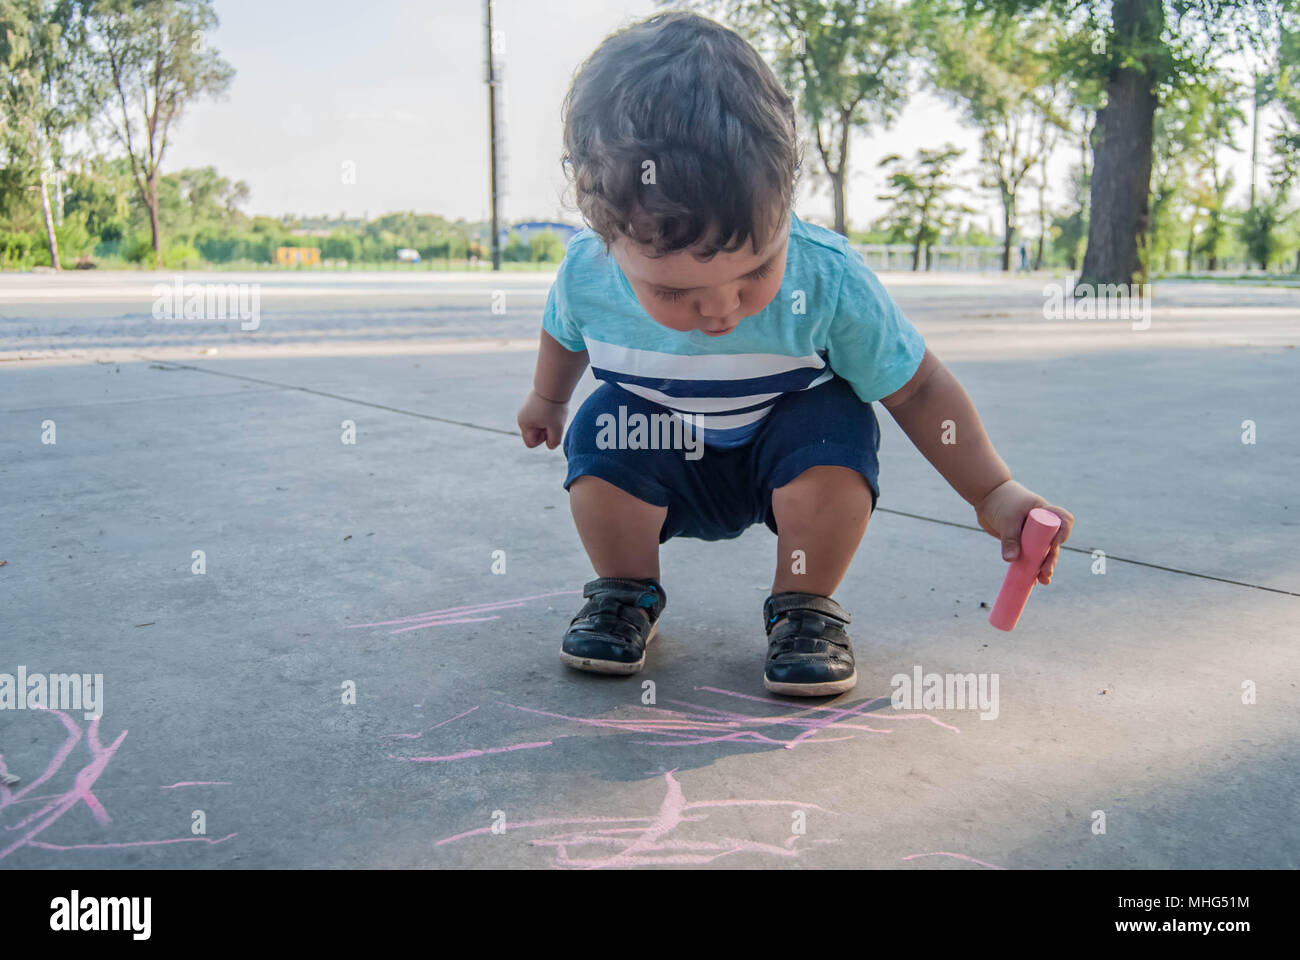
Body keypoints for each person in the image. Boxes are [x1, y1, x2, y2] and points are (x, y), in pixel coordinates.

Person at [517, 12, 1073, 696]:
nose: (722, 309)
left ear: (785, 200)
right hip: (661, 447)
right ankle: (625, 592)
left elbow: (919, 390)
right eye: (675, 291)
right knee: (601, 427)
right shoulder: (587, 273)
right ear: (605, 231)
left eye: (756, 271)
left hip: (783, 447)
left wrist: (993, 491)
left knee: (839, 425)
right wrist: (548, 399)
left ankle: (804, 607)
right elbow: (565, 329)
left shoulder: (828, 278)